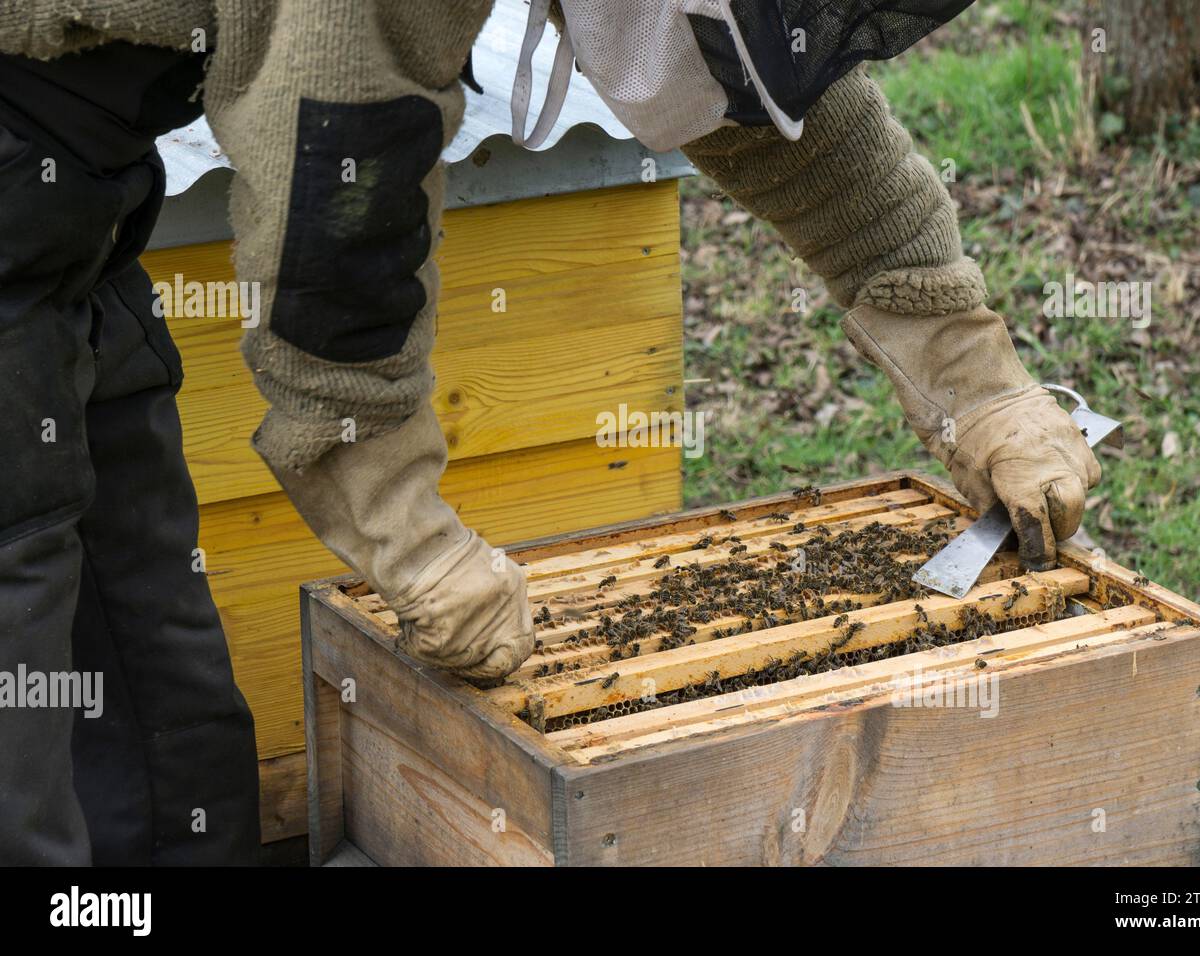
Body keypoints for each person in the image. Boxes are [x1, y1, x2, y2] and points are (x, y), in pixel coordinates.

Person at [0, 0, 1097, 866]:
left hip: (77, 197)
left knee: (152, 690)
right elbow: (335, 239)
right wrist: (406, 534)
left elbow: (769, 107)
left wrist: (979, 379)